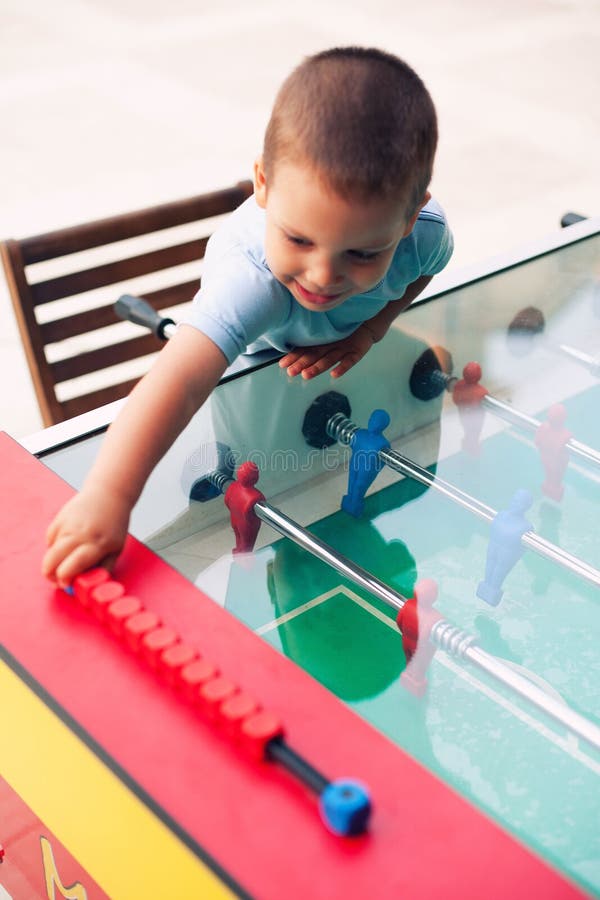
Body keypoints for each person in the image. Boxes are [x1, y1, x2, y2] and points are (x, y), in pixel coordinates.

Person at [43, 46, 453, 588]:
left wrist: (372, 329)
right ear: (262, 183)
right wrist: (108, 498)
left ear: (408, 219)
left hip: (340, 365)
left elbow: (430, 268)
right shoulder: (252, 281)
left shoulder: (424, 236)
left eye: (361, 253)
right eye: (298, 238)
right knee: (262, 477)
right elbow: (179, 381)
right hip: (255, 361)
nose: (322, 276)